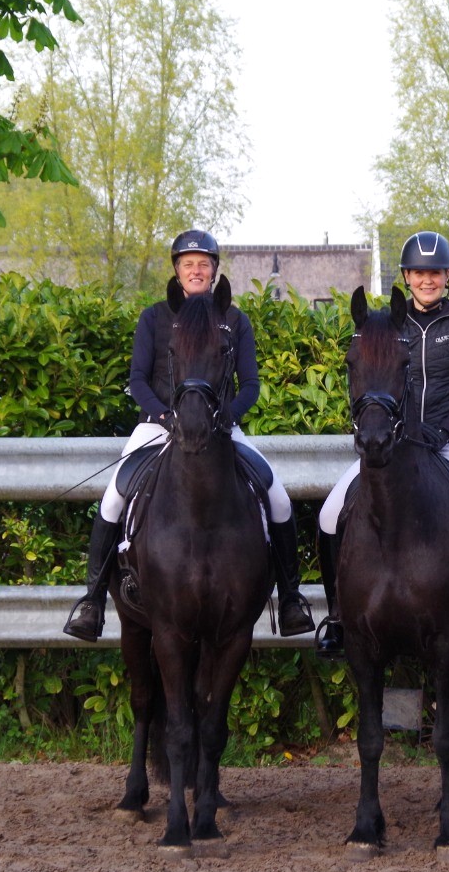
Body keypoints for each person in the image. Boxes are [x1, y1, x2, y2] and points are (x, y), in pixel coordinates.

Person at [63, 229, 314, 642]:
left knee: (278, 496)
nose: (196, 270)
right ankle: (91, 602)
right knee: (113, 496)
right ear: (177, 271)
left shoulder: (234, 319)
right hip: (157, 426)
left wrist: (226, 417)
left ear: (214, 270)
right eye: (188, 264)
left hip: (220, 428)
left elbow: (249, 383)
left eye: (203, 264)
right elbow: (138, 379)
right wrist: (165, 416)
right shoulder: (155, 317)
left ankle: (289, 598)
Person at [314, 230, 449, 654]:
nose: (427, 280)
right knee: (329, 515)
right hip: (395, 445)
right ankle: (337, 618)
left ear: (448, 276)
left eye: (435, 273)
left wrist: (443, 430)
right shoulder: (387, 326)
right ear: (406, 276)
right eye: (419, 273)